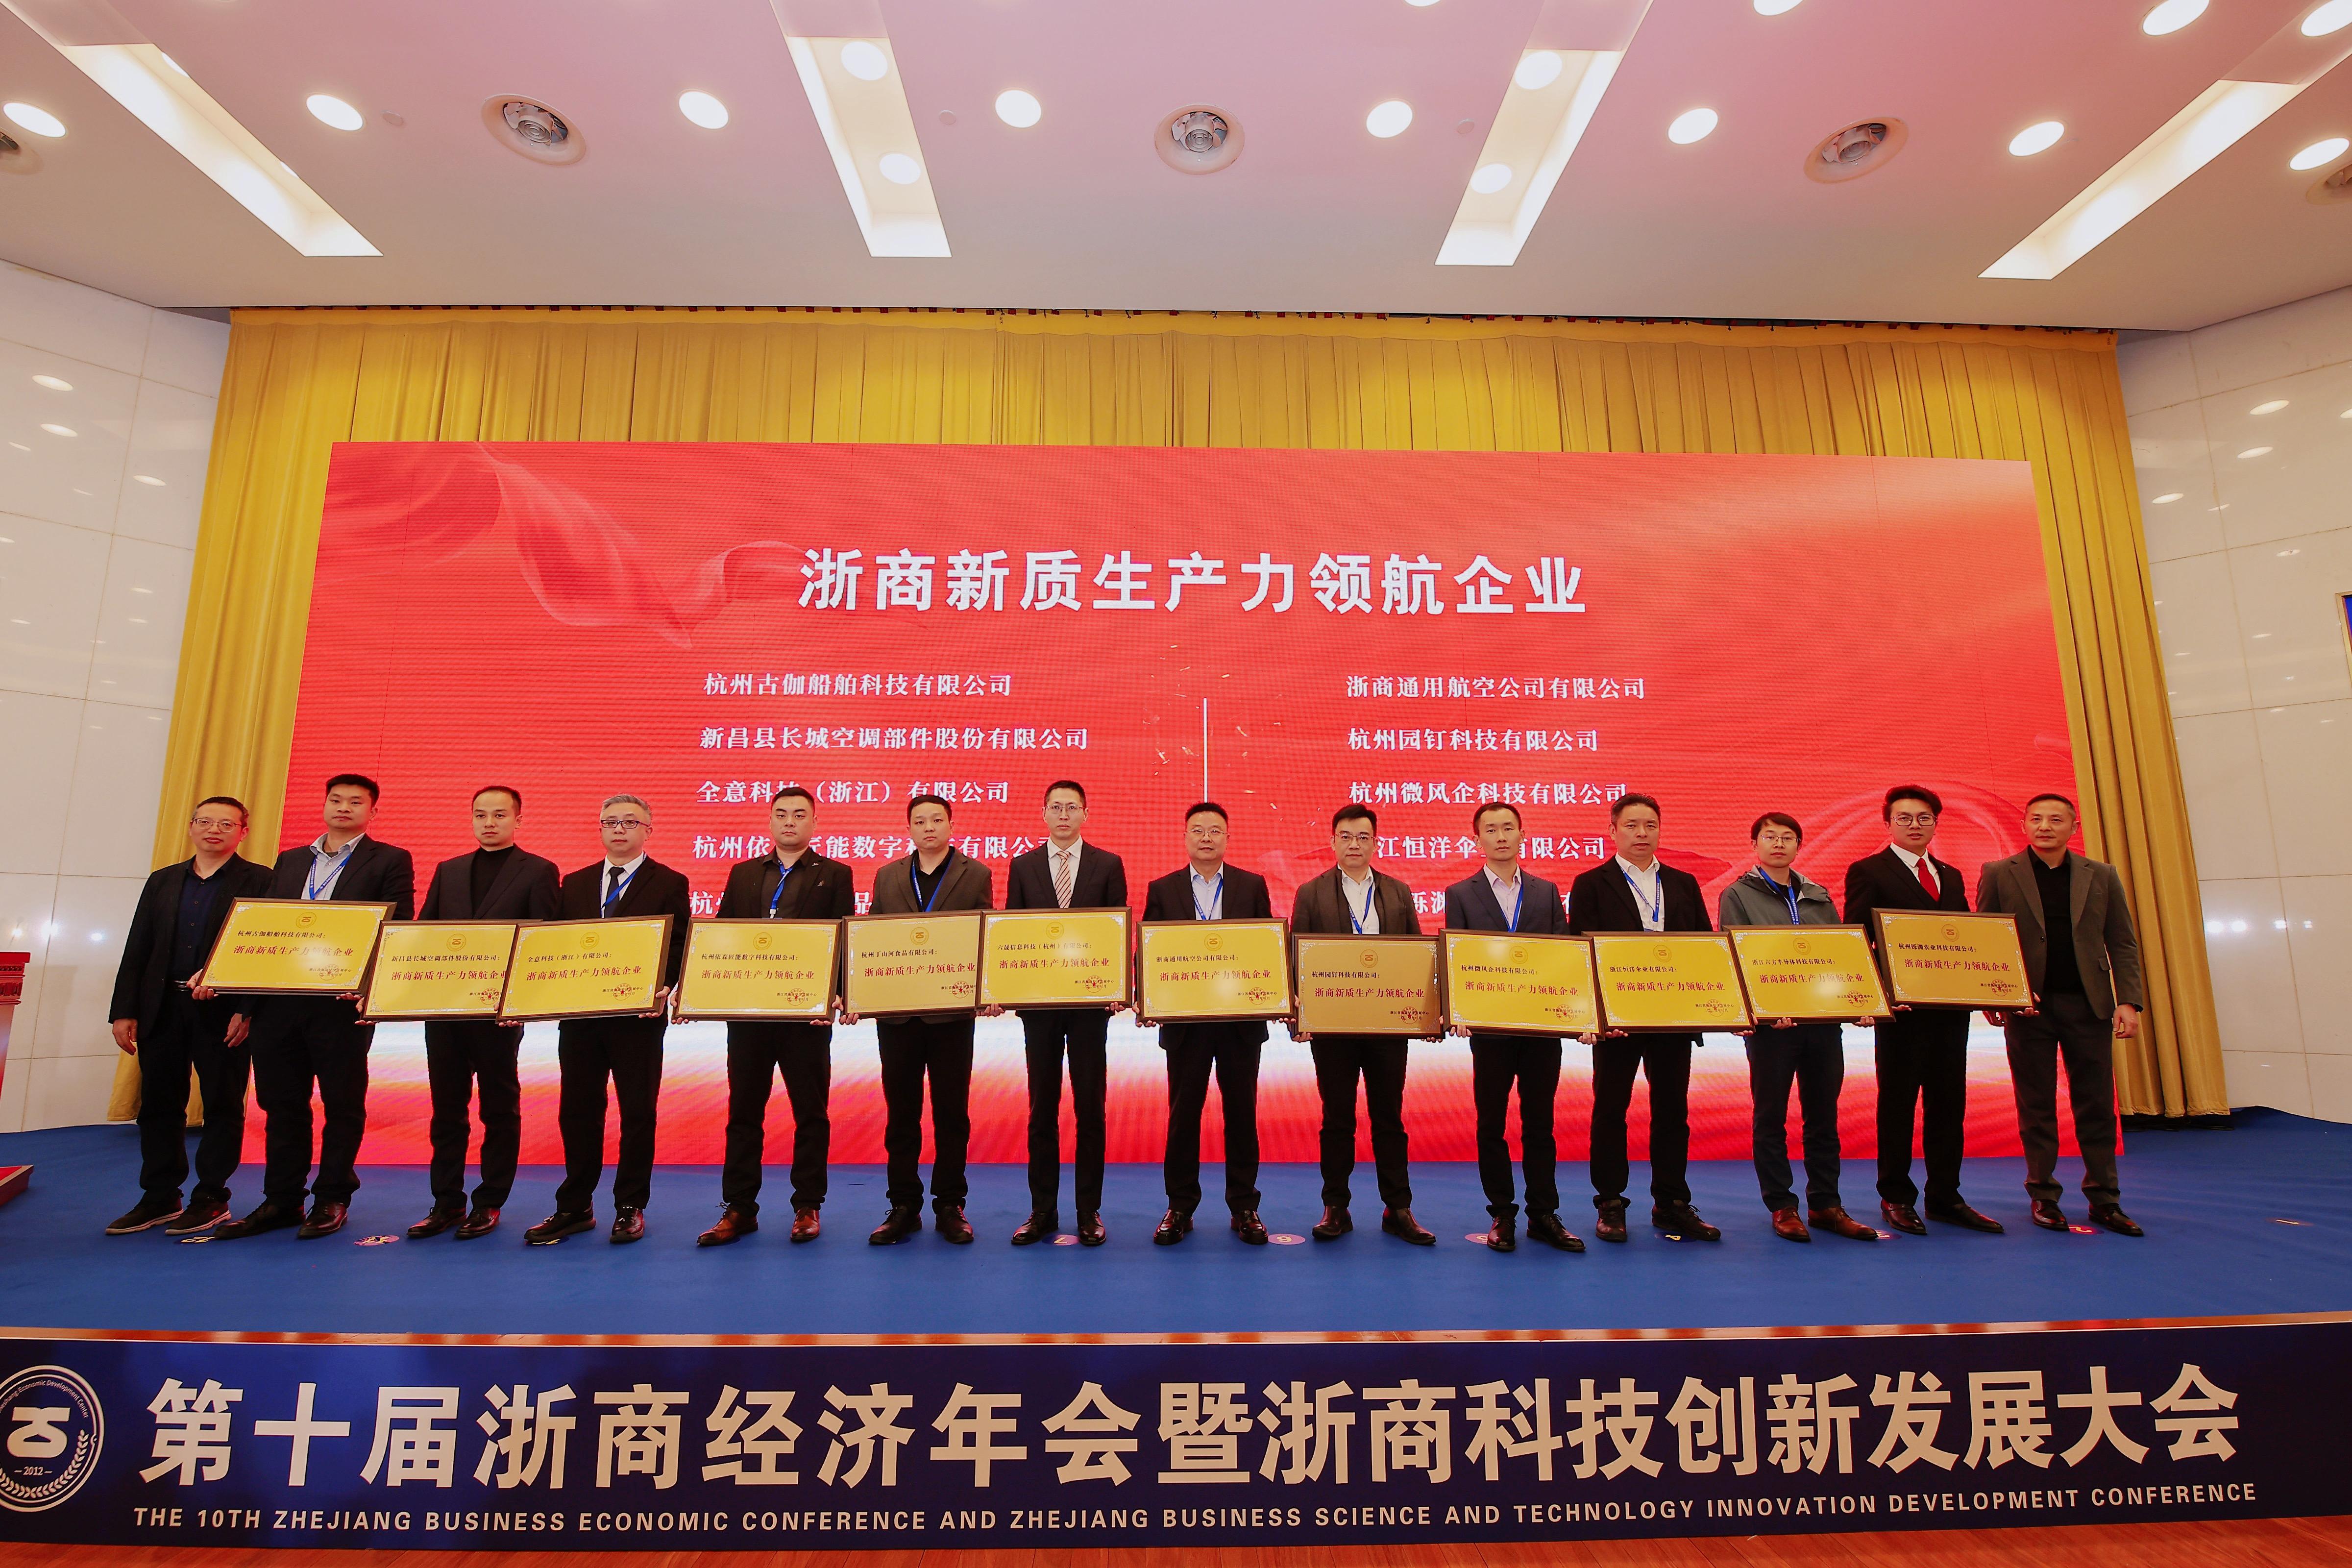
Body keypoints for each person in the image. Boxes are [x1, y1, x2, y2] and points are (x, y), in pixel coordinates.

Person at [216, 775, 415, 1241]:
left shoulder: (389, 859)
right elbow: (262, 932)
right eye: (336, 799)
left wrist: (369, 988)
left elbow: (399, 926)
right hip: (279, 1004)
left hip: (340, 1006)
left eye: (355, 802)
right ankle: (282, 1199)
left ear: (372, 812)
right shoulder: (290, 860)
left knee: (342, 1103)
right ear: (324, 805)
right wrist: (247, 1005)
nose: (343, 807)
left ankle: (332, 1197)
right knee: (281, 1103)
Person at [1974, 792, 2147, 1236]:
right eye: (2036, 819)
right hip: (2029, 1007)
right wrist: (1996, 995)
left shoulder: (2102, 875)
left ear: (2074, 827)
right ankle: (2044, 1195)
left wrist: (2129, 1000)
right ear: (2025, 825)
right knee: (2036, 1105)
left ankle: (2105, 1199)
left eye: (2055, 820)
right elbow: (1986, 939)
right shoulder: (1999, 873)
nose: (2045, 827)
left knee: (2097, 1104)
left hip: (2089, 1004)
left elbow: (2122, 941)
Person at [525, 795, 692, 1247]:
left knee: (637, 1112)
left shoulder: (670, 881)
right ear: (600, 829)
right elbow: (556, 944)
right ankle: (575, 1205)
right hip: (582, 1018)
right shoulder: (575, 882)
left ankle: (630, 1206)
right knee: (578, 1110)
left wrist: (666, 985)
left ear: (648, 831)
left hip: (638, 1018)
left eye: (630, 822)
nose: (619, 829)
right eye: (610, 822)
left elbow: (679, 942)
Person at [104, 796, 274, 1236]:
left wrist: (247, 1009)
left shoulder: (262, 881)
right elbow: (138, 947)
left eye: (226, 824)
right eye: (205, 821)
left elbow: (265, 951)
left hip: (223, 1012)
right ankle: (160, 1195)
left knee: (222, 1105)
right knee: (159, 1105)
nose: (213, 830)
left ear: (243, 832)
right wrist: (124, 1010)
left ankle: (211, 1197)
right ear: (192, 826)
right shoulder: (163, 880)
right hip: (161, 1007)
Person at [698, 786, 857, 1248]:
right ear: (770, 821)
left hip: (806, 1018)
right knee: (744, 1112)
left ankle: (807, 1205)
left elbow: (845, 937)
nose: (790, 822)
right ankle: (739, 1207)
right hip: (749, 1014)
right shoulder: (744, 872)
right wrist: (701, 990)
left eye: (800, 815)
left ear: (814, 823)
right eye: (782, 814)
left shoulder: (835, 874)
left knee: (810, 1113)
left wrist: (837, 995)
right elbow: (722, 934)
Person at [1843, 784, 2004, 1236]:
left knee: (1949, 1105)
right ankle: (1895, 1196)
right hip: (1903, 1012)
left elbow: (1966, 938)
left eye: (1924, 818)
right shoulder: (1868, 870)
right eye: (1904, 818)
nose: (1915, 825)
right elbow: (1857, 938)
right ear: (1888, 823)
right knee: (1898, 1105)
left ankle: (1946, 1196)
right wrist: (1877, 996)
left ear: (1935, 823)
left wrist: (1989, 989)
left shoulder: (1950, 875)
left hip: (1950, 1011)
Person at [1715, 812, 1877, 1244]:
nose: (1779, 844)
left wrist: (1859, 1002)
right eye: (1769, 837)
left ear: (1798, 846)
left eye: (1787, 838)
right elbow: (1734, 955)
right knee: (1770, 1116)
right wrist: (1762, 1009)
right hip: (1774, 1027)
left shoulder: (1818, 895)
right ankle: (1782, 1206)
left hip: (1822, 1024)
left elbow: (1841, 955)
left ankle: (1826, 1204)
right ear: (1755, 845)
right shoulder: (1738, 894)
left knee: (1823, 1116)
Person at [407, 785, 559, 1242]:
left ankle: (490, 1201)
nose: (489, 823)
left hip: (498, 1014)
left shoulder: (539, 871)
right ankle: (446, 1202)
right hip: (446, 1009)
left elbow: (543, 943)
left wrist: (522, 1004)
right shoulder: (449, 869)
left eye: (499, 815)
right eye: (480, 815)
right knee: (447, 1110)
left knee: (499, 1108)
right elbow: (424, 934)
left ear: (518, 820)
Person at [1567, 792, 1718, 1244]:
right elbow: (1580, 953)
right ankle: (1610, 1203)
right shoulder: (1591, 883)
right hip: (1618, 1020)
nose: (1641, 833)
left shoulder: (1683, 883)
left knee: (1673, 1111)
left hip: (1673, 1018)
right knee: (1610, 1110)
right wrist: (1595, 1016)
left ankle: (1672, 1203)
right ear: (1613, 831)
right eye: (1631, 825)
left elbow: (1704, 947)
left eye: (1650, 825)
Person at [1289, 804, 1433, 1245]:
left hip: (1387, 1028)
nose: (1355, 845)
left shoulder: (1398, 892)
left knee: (1389, 1118)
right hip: (1332, 1029)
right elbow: (1297, 959)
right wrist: (1300, 1015)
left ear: (1375, 843)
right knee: (1337, 1119)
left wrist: (1428, 1013)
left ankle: (1398, 1208)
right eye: (1346, 837)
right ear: (1332, 842)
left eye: (1363, 837)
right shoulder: (1311, 893)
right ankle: (1336, 1206)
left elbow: (1417, 956)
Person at [1444, 801, 1581, 1254]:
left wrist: (1577, 1015)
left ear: (1523, 835)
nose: (1501, 836)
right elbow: (1457, 958)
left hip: (1541, 1030)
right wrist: (1459, 1010)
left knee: (1540, 1124)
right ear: (1477, 840)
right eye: (1491, 830)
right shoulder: (1460, 894)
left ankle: (1544, 1214)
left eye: (1508, 828)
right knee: (1492, 1124)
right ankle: (1502, 1213)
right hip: (1490, 1032)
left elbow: (1563, 956)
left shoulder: (1546, 891)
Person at [862, 793, 993, 1246]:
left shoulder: (976, 873)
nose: (929, 828)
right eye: (920, 821)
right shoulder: (888, 875)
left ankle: (950, 1204)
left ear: (951, 826)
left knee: (952, 1112)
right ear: (909, 830)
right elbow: (872, 936)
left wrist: (987, 990)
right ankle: (903, 1205)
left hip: (951, 1016)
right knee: (902, 1114)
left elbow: (985, 935)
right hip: (898, 1017)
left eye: (937, 820)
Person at [1002, 781, 1128, 1248]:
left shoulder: (1108, 865)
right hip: (1040, 1009)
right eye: (1055, 807)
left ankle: (1088, 1210)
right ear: (1044, 814)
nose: (1063, 815)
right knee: (1042, 1109)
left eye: (1071, 807)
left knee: (1090, 1107)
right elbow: (1011, 931)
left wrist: (1119, 987)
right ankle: (1042, 1210)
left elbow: (1117, 929)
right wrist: (1007, 988)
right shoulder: (1023, 866)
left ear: (1085, 814)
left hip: (1090, 1008)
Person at [1141, 802, 1273, 1247]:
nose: (1206, 838)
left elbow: (1266, 948)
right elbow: (1150, 953)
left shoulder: (1252, 886)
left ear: (1228, 838)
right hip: (1187, 1025)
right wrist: (1148, 998)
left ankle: (1245, 1206)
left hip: (1239, 1024)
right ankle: (1180, 1206)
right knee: (1183, 1116)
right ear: (1185, 838)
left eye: (1215, 830)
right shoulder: (1163, 889)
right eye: (1197, 830)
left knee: (1242, 1114)